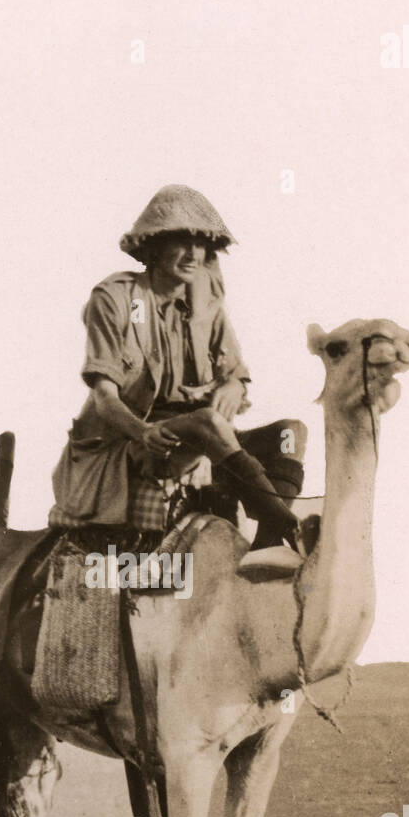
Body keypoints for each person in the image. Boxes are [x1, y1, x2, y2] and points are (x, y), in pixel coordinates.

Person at [49, 185, 317, 552]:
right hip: (128, 443)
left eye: (200, 243)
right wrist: (142, 431)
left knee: (292, 432)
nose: (193, 253)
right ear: (154, 247)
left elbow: (236, 373)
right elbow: (103, 397)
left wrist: (232, 388)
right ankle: (287, 523)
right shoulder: (116, 298)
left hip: (201, 440)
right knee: (206, 421)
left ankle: (269, 542)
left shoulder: (207, 308)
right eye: (180, 241)